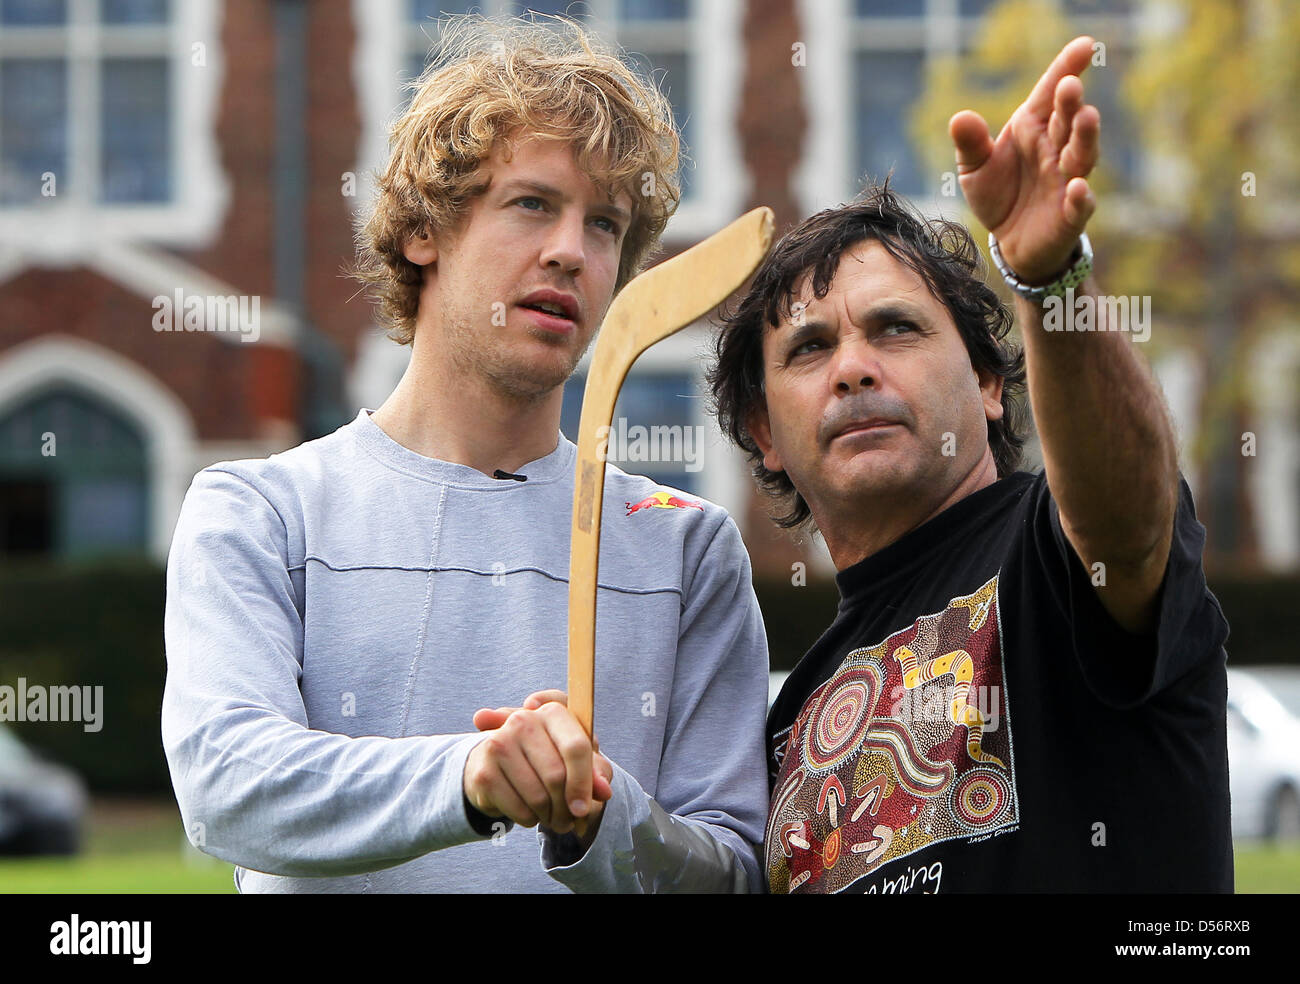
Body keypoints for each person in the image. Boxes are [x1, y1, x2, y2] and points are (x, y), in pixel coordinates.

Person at [161, 14, 769, 893]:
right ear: (423, 230)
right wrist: (469, 779)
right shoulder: (260, 511)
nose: (571, 252)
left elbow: (735, 872)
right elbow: (227, 784)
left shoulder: (686, 546)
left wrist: (606, 819)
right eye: (532, 204)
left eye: (605, 225)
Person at [708, 37, 1231, 893]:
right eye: (810, 348)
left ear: (989, 384)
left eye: (896, 328)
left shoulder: (1052, 557)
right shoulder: (788, 723)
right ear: (765, 434)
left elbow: (1126, 523)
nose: (853, 368)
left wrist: (1048, 279)